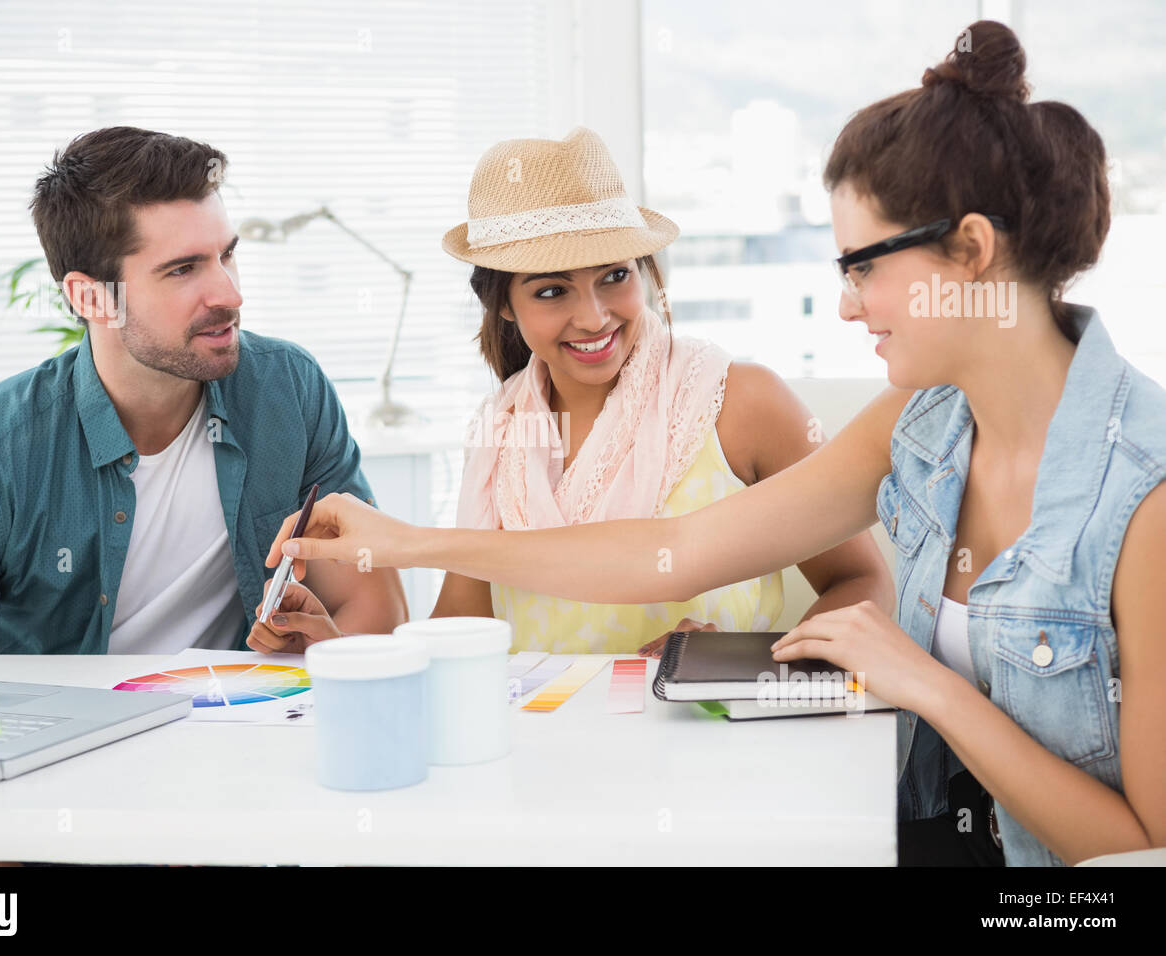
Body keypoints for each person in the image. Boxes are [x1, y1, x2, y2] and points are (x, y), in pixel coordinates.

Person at [269, 22, 1166, 866]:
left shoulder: (1144, 492)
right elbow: (677, 555)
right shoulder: (921, 428)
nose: (847, 305)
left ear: (969, 251)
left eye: (862, 266)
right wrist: (400, 548)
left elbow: (1140, 848)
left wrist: (927, 683)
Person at [0, 126, 407, 657]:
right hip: (73, 738)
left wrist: (317, 655)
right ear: (92, 297)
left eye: (226, 256)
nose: (230, 294)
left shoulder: (289, 389)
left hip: (242, 722)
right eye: (183, 269)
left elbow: (373, 604)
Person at [429, 127, 892, 652]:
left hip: (706, 730)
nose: (594, 316)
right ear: (504, 305)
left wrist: (738, 663)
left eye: (614, 277)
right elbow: (458, 628)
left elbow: (862, 584)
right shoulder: (498, 432)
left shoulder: (740, 402)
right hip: (542, 733)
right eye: (553, 291)